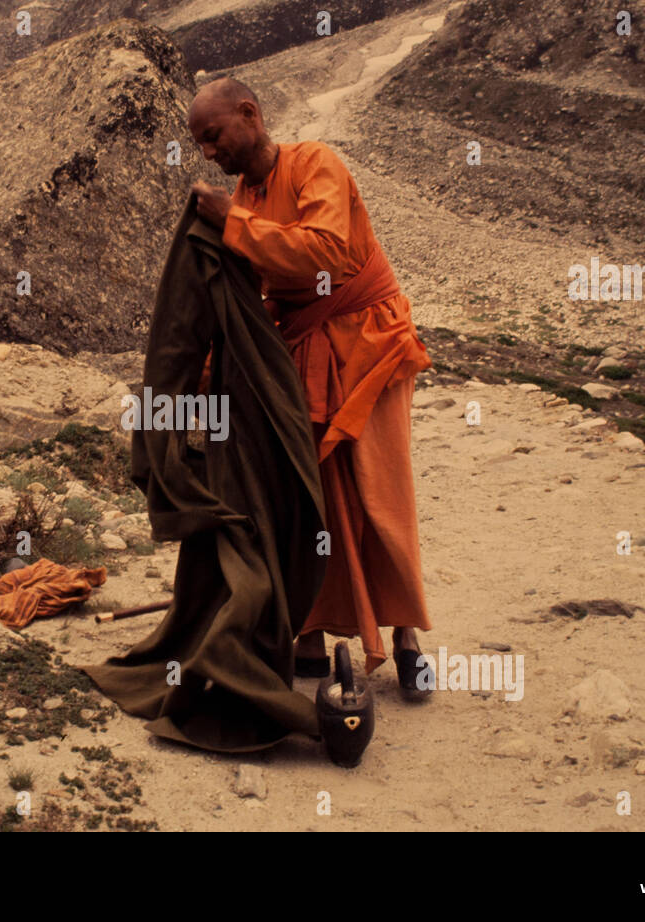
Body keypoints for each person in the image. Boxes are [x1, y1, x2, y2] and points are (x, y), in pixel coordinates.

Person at [187, 76, 435, 698]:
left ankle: (406, 638)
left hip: (367, 342)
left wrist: (233, 222)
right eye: (201, 146)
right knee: (311, 496)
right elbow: (256, 295)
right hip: (305, 353)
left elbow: (323, 253)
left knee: (380, 492)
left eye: (214, 137)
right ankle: (311, 638)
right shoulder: (246, 193)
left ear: (250, 114)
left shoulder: (314, 163)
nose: (210, 154)